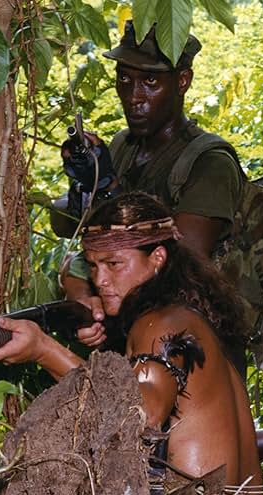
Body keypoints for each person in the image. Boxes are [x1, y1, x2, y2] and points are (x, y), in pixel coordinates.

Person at [0, 192, 262, 495]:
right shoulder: (188, 318)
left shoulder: (161, 323)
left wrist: (46, 351)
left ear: (157, 257)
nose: (100, 279)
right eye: (93, 266)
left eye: (114, 263)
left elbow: (143, 413)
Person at [55, 20, 245, 354]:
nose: (134, 97)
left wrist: (109, 190)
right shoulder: (123, 147)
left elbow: (181, 266)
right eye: (124, 79)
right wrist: (85, 187)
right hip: (126, 340)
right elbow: (88, 240)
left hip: (187, 346)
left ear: (182, 81)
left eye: (151, 81)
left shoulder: (209, 163)